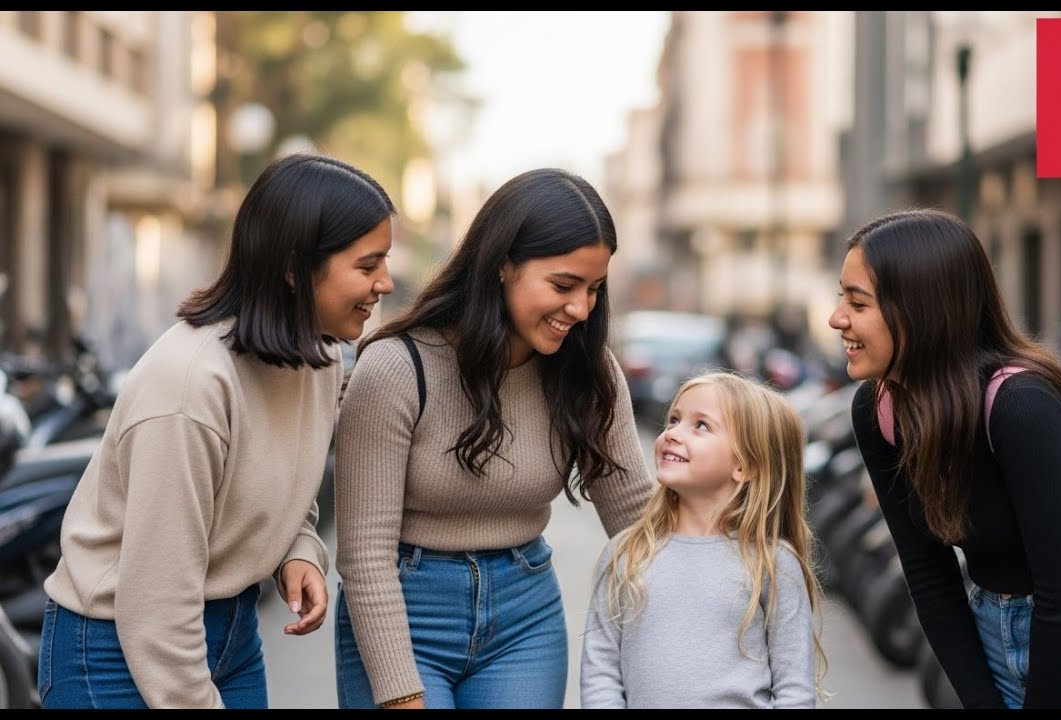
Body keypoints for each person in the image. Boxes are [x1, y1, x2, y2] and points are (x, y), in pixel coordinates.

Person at [38, 153, 398, 709]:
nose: (386, 283)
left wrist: (298, 550)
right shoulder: (190, 384)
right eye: (368, 265)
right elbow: (156, 602)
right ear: (295, 268)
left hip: (230, 632)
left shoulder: (319, 361)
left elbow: (283, 486)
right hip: (116, 647)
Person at [830, 208, 1061, 709]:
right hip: (994, 631)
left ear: (919, 309)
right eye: (841, 297)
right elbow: (928, 577)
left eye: (858, 302)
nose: (837, 318)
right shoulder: (878, 411)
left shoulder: (1022, 406)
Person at [333, 167, 654, 710]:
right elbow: (364, 555)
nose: (581, 309)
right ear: (503, 265)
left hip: (524, 622)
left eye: (594, 289)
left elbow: (635, 517)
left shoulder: (588, 370)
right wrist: (400, 693)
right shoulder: (396, 368)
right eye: (563, 285)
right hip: (403, 614)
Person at [579, 371, 827, 709]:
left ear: (744, 465)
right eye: (674, 420)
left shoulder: (774, 562)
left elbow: (794, 690)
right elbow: (601, 674)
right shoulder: (625, 552)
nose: (672, 433)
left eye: (701, 425)